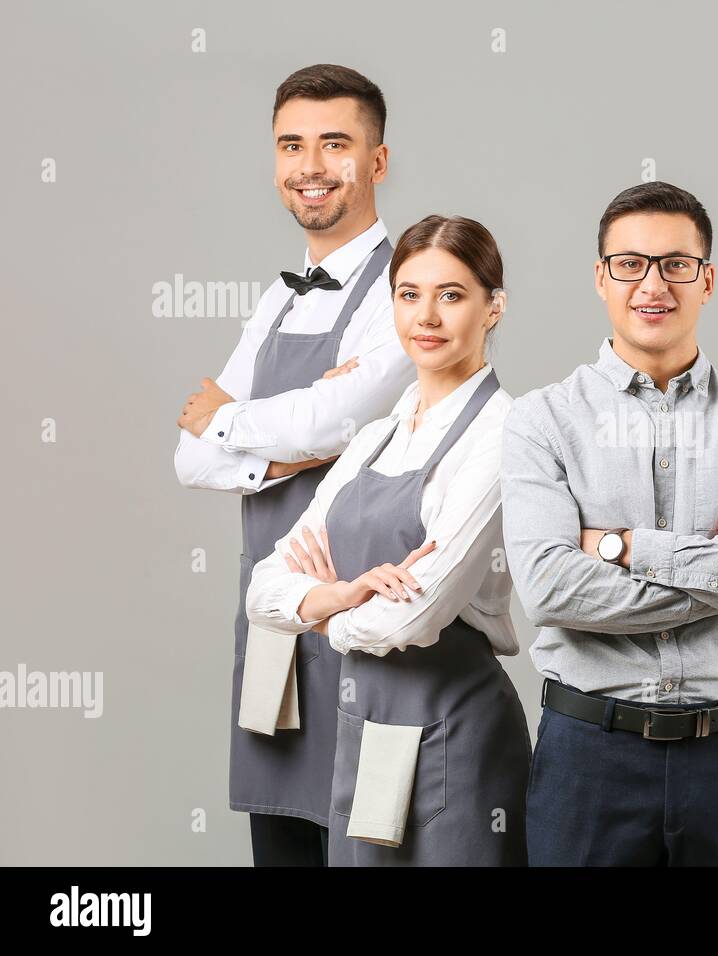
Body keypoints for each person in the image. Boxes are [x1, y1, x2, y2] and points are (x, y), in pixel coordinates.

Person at [501, 181, 718, 866]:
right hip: (590, 755)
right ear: (601, 277)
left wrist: (623, 547)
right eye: (630, 263)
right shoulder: (542, 420)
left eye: (676, 264)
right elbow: (550, 591)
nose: (654, 284)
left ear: (707, 280)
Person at [173, 64, 416, 866]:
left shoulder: (407, 286)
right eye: (292, 145)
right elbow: (189, 457)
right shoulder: (279, 297)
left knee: (371, 838)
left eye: (335, 143)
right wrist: (298, 447)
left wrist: (238, 423)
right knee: (281, 842)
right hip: (276, 624)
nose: (310, 165)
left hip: (363, 622)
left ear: (377, 162)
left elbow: (344, 416)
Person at [245, 215, 530, 866]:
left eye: (451, 295)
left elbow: (417, 613)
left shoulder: (504, 435)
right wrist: (346, 595)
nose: (426, 316)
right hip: (366, 728)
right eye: (408, 294)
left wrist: (321, 610)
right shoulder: (376, 435)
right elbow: (266, 585)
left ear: (494, 308)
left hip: (458, 730)